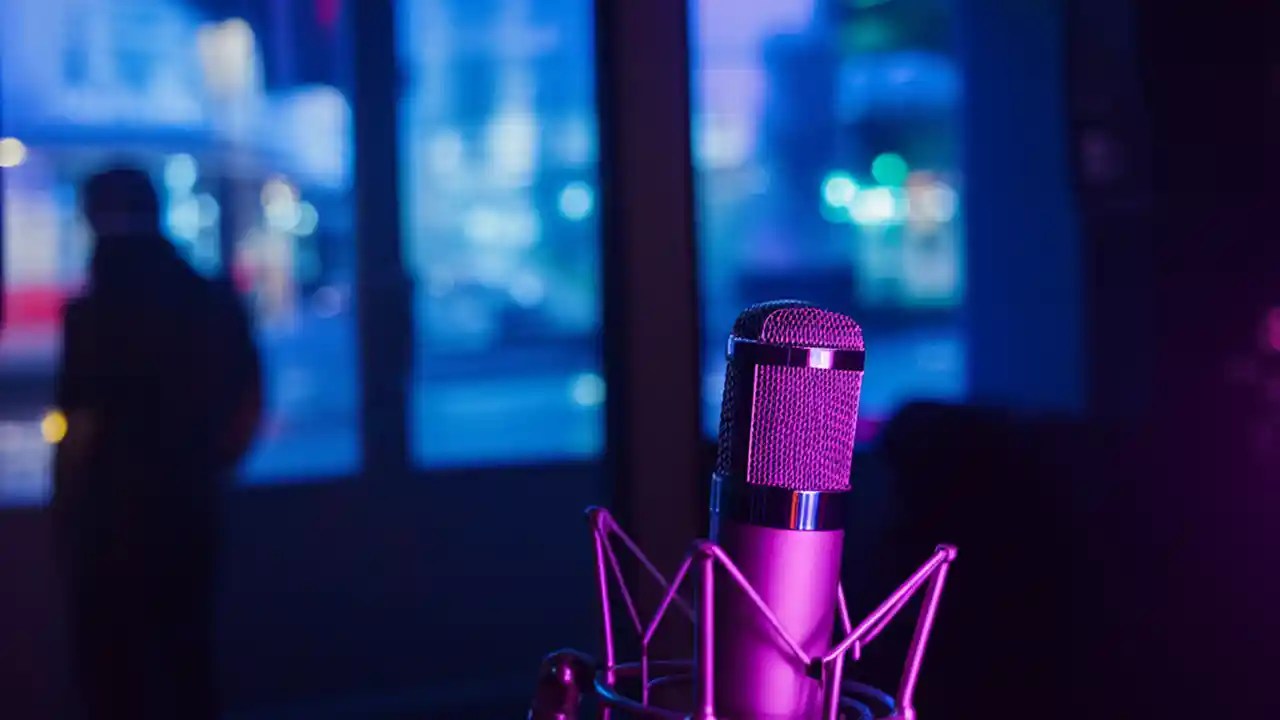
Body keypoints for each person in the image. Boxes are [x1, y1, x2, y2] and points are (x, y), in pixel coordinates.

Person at [51, 166, 261, 720]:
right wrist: (211, 466)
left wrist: (67, 503)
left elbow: (79, 422)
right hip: (191, 503)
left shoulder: (95, 313)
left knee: (114, 674)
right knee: (187, 661)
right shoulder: (210, 298)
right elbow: (247, 400)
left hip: (107, 514)